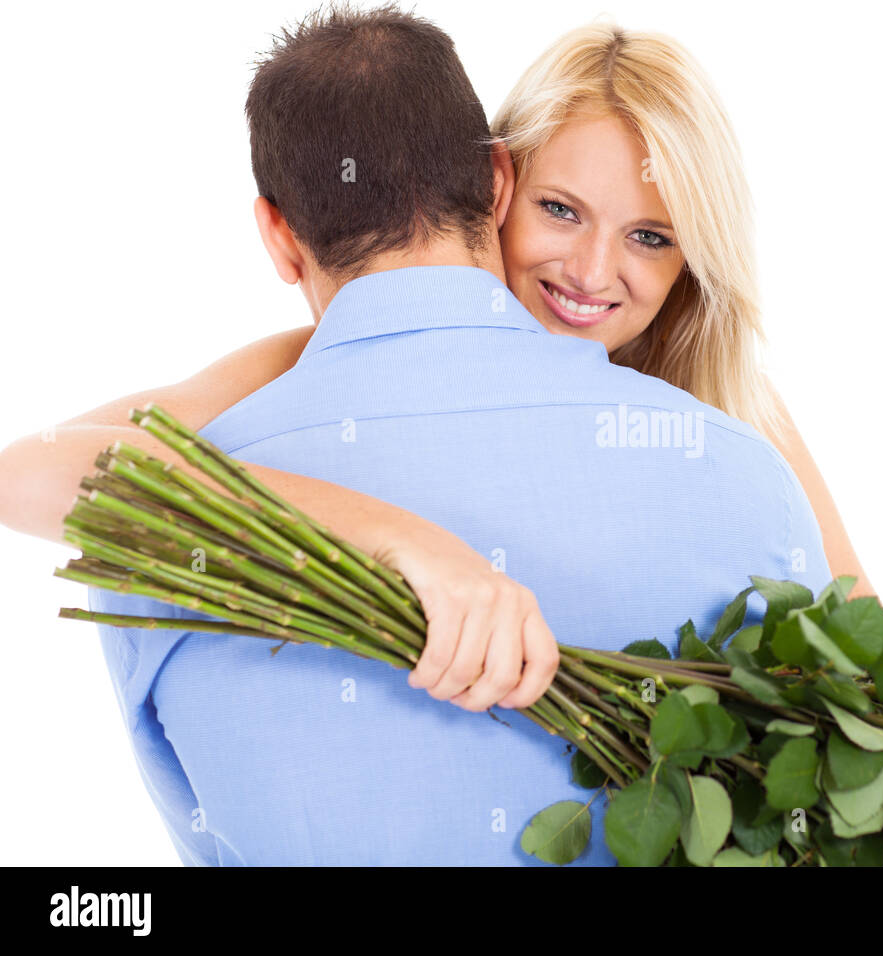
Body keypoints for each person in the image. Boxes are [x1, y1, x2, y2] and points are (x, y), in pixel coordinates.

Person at [0, 4, 834, 865]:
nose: (589, 274)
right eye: (562, 210)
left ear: (279, 238)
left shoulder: (164, 526)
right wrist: (404, 541)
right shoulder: (740, 475)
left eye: (649, 237)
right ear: (500, 186)